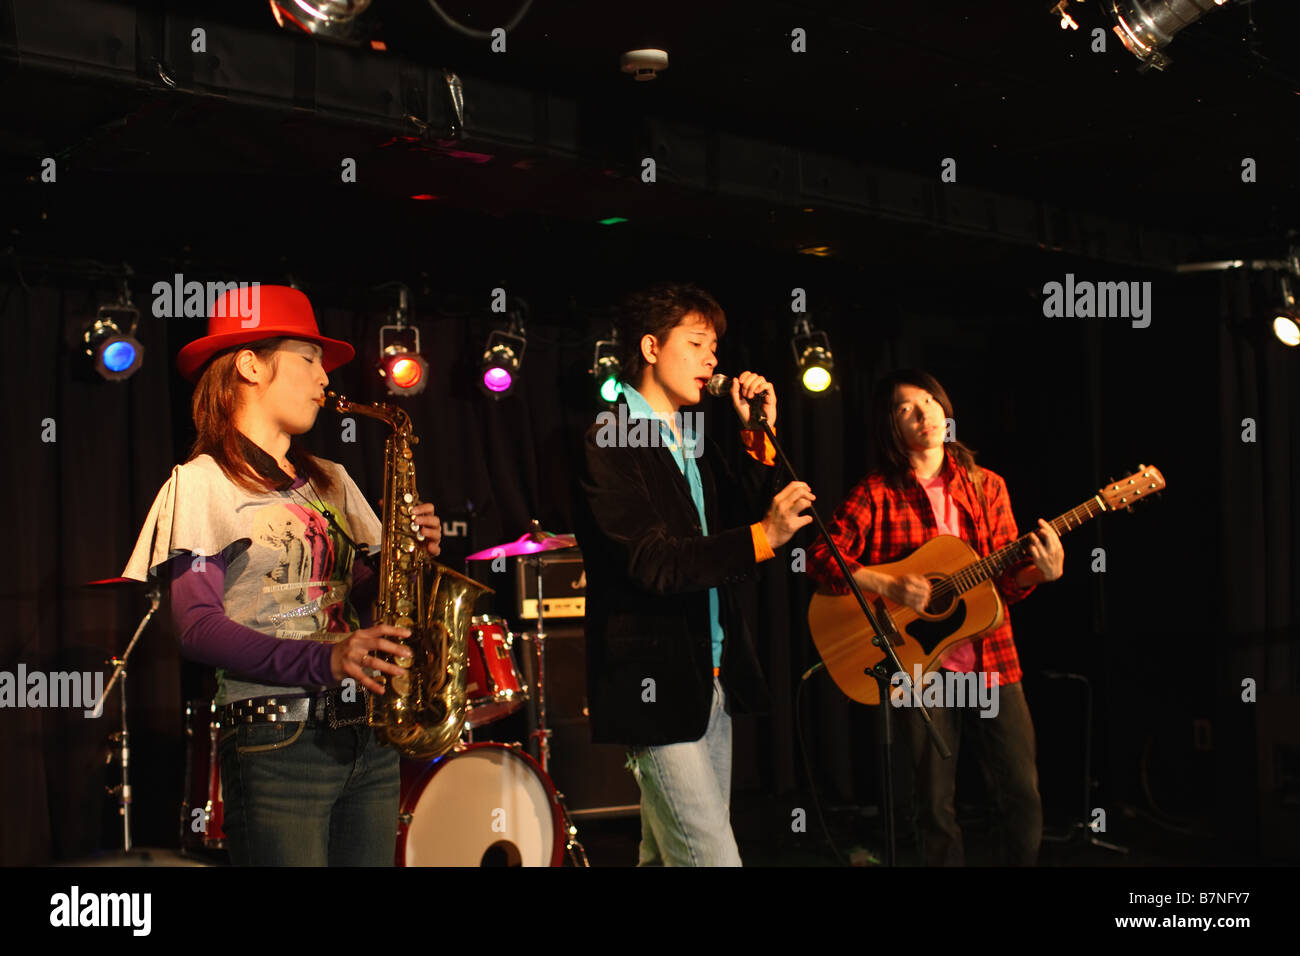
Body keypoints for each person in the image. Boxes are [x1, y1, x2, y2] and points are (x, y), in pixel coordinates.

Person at [121, 285, 443, 866]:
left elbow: (374, 593)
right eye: (309, 358)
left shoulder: (333, 478)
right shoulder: (200, 483)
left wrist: (410, 555)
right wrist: (325, 659)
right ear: (249, 364)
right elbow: (196, 628)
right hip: (278, 741)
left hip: (368, 736)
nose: (325, 378)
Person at [575, 281, 814, 866]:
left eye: (715, 346)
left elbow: (733, 529)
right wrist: (764, 536)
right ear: (652, 347)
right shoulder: (612, 437)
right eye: (698, 341)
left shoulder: (693, 439)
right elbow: (653, 561)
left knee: (663, 856)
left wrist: (758, 435)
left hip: (710, 674)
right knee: (711, 857)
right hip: (652, 681)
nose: (713, 359)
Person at [806, 368, 1064, 866]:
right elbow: (820, 557)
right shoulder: (877, 492)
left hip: (993, 661)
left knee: (1022, 793)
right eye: (906, 407)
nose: (923, 412)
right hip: (920, 667)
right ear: (891, 426)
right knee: (932, 805)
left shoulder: (988, 487)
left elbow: (1005, 584)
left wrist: (1040, 574)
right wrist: (889, 583)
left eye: (929, 400)